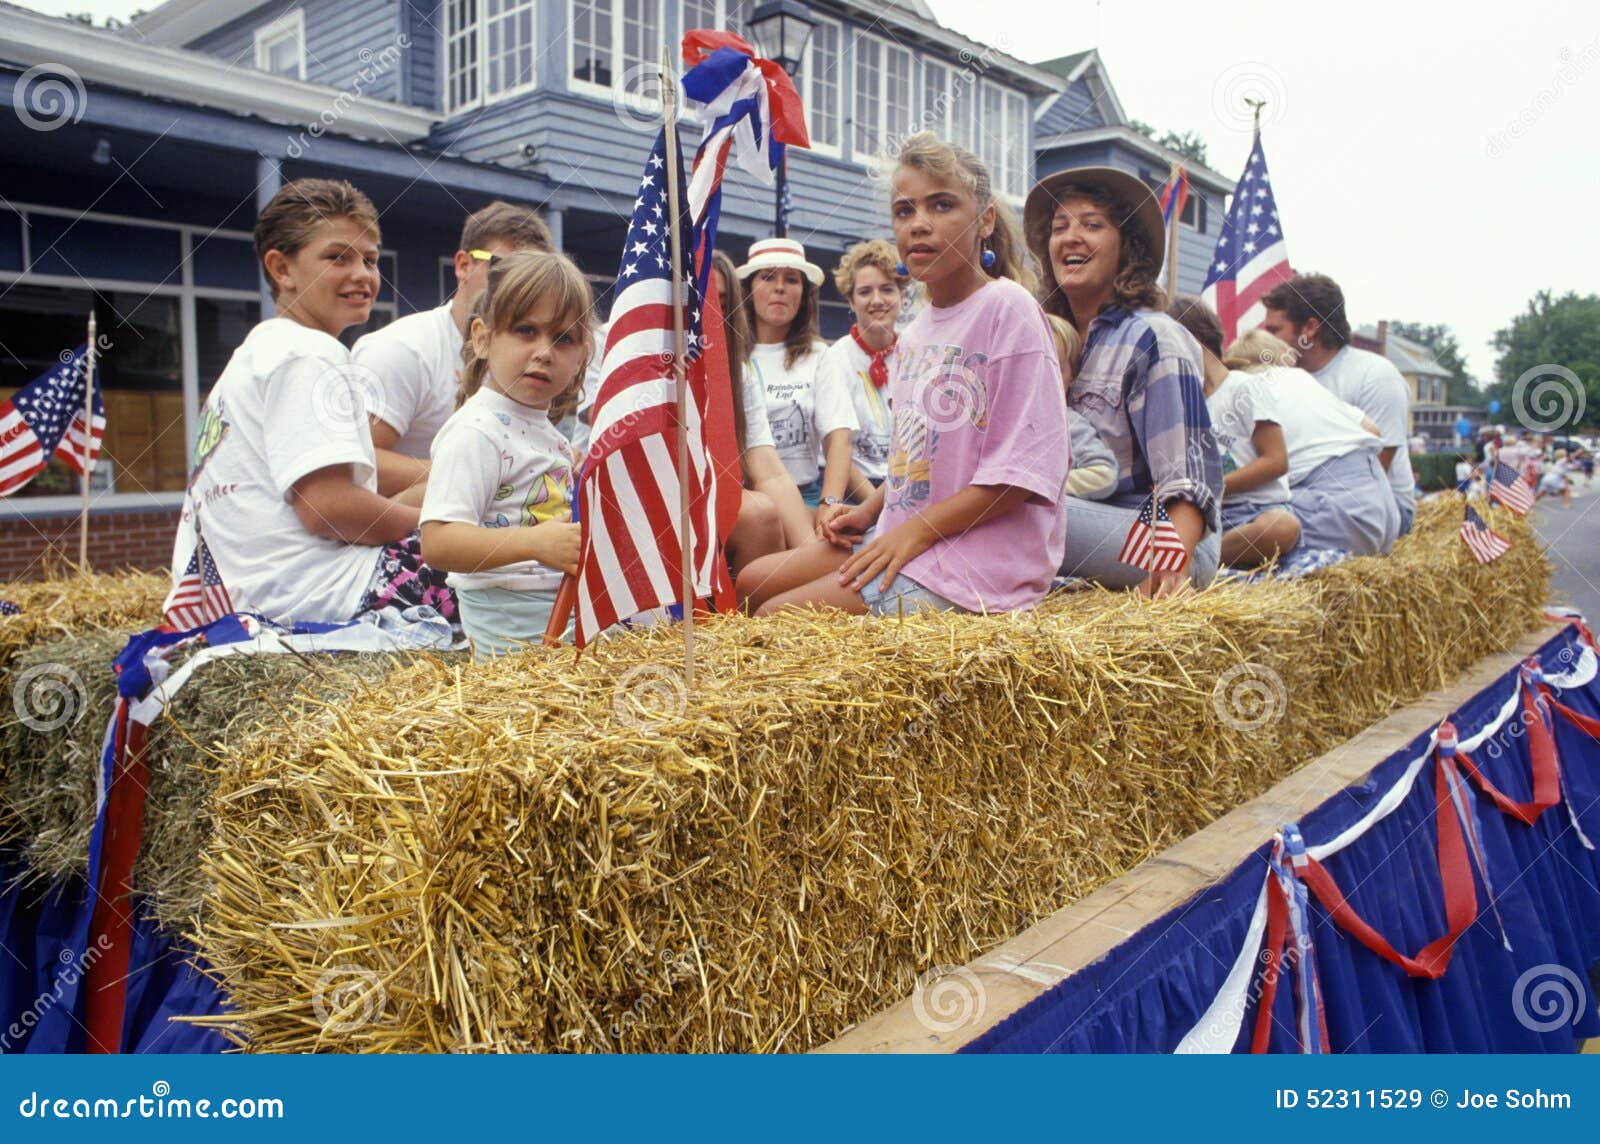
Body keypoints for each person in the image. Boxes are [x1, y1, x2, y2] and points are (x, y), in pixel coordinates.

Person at [735, 132, 1069, 617]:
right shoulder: (914, 334)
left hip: (974, 560)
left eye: (942, 205)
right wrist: (867, 513)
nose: (920, 225)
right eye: (905, 211)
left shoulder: (1007, 308)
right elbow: (923, 461)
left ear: (985, 220)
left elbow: (1022, 474)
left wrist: (913, 533)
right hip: (907, 532)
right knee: (750, 582)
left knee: (775, 617)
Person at [169, 178, 454, 626]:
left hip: (252, 593)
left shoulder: (254, 355)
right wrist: (431, 524)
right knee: (502, 564)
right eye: (337, 257)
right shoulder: (309, 353)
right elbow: (329, 508)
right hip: (320, 591)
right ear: (282, 269)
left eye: (370, 259)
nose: (362, 273)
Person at [1026, 166, 1223, 595]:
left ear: (1127, 248)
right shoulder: (1046, 338)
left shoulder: (1153, 336)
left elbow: (1188, 475)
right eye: (1059, 228)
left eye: (1092, 225)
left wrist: (1172, 567)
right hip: (1085, 521)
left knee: (1020, 515)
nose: (1071, 237)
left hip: (1168, 536)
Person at [418, 252, 589, 659]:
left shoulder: (545, 432)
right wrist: (533, 543)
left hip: (559, 619)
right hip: (513, 635)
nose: (545, 352)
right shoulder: (476, 431)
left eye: (563, 338)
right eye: (526, 330)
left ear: (582, 356)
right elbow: (438, 543)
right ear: (482, 338)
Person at [353, 202, 553, 497]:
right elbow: (358, 464)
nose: (515, 285)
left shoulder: (536, 357)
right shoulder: (403, 349)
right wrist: (473, 470)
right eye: (500, 268)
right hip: (405, 533)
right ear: (463, 265)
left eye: (529, 275)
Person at [1259, 274, 1418, 536]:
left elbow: (1375, 474)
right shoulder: (1283, 380)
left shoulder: (1375, 375)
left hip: (1382, 508)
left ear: (1309, 329)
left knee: (1269, 524)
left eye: (1275, 331)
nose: (1267, 341)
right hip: (1305, 499)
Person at [1221, 329, 1398, 556]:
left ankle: (1201, 562)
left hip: (1336, 514)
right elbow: (1373, 431)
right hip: (1382, 504)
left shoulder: (1246, 390)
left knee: (1256, 526)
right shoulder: (1303, 379)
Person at [1166, 300, 1300, 567]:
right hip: (1205, 515)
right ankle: (1194, 558)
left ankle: (1197, 561)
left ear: (1194, 340)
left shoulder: (1243, 387)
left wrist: (1216, 487)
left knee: (1282, 527)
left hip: (1254, 510)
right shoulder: (1181, 403)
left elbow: (1276, 460)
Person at [737, 238, 858, 520]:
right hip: (743, 499)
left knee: (837, 555)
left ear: (804, 294)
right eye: (767, 277)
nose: (780, 287)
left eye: (791, 279)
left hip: (805, 496)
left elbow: (839, 438)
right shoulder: (727, 353)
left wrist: (829, 505)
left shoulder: (819, 355)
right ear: (748, 290)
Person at [707, 249, 788, 573]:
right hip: (646, 499)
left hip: (717, 497)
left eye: (721, 303)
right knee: (759, 512)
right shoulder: (625, 347)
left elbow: (769, 470)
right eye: (697, 299)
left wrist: (811, 554)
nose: (708, 312)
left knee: (764, 514)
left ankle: (747, 620)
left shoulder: (738, 374)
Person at [814, 239, 905, 501]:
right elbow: (836, 446)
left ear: (901, 296)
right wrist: (881, 509)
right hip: (854, 487)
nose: (877, 300)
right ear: (851, 302)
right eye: (865, 292)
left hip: (906, 486)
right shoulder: (836, 358)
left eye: (887, 289)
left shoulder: (916, 352)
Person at [1045, 314, 1117, 501]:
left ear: (1072, 378)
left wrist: (1039, 486)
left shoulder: (1065, 421)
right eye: (1030, 365)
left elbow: (1104, 475)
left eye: (1053, 367)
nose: (1040, 376)